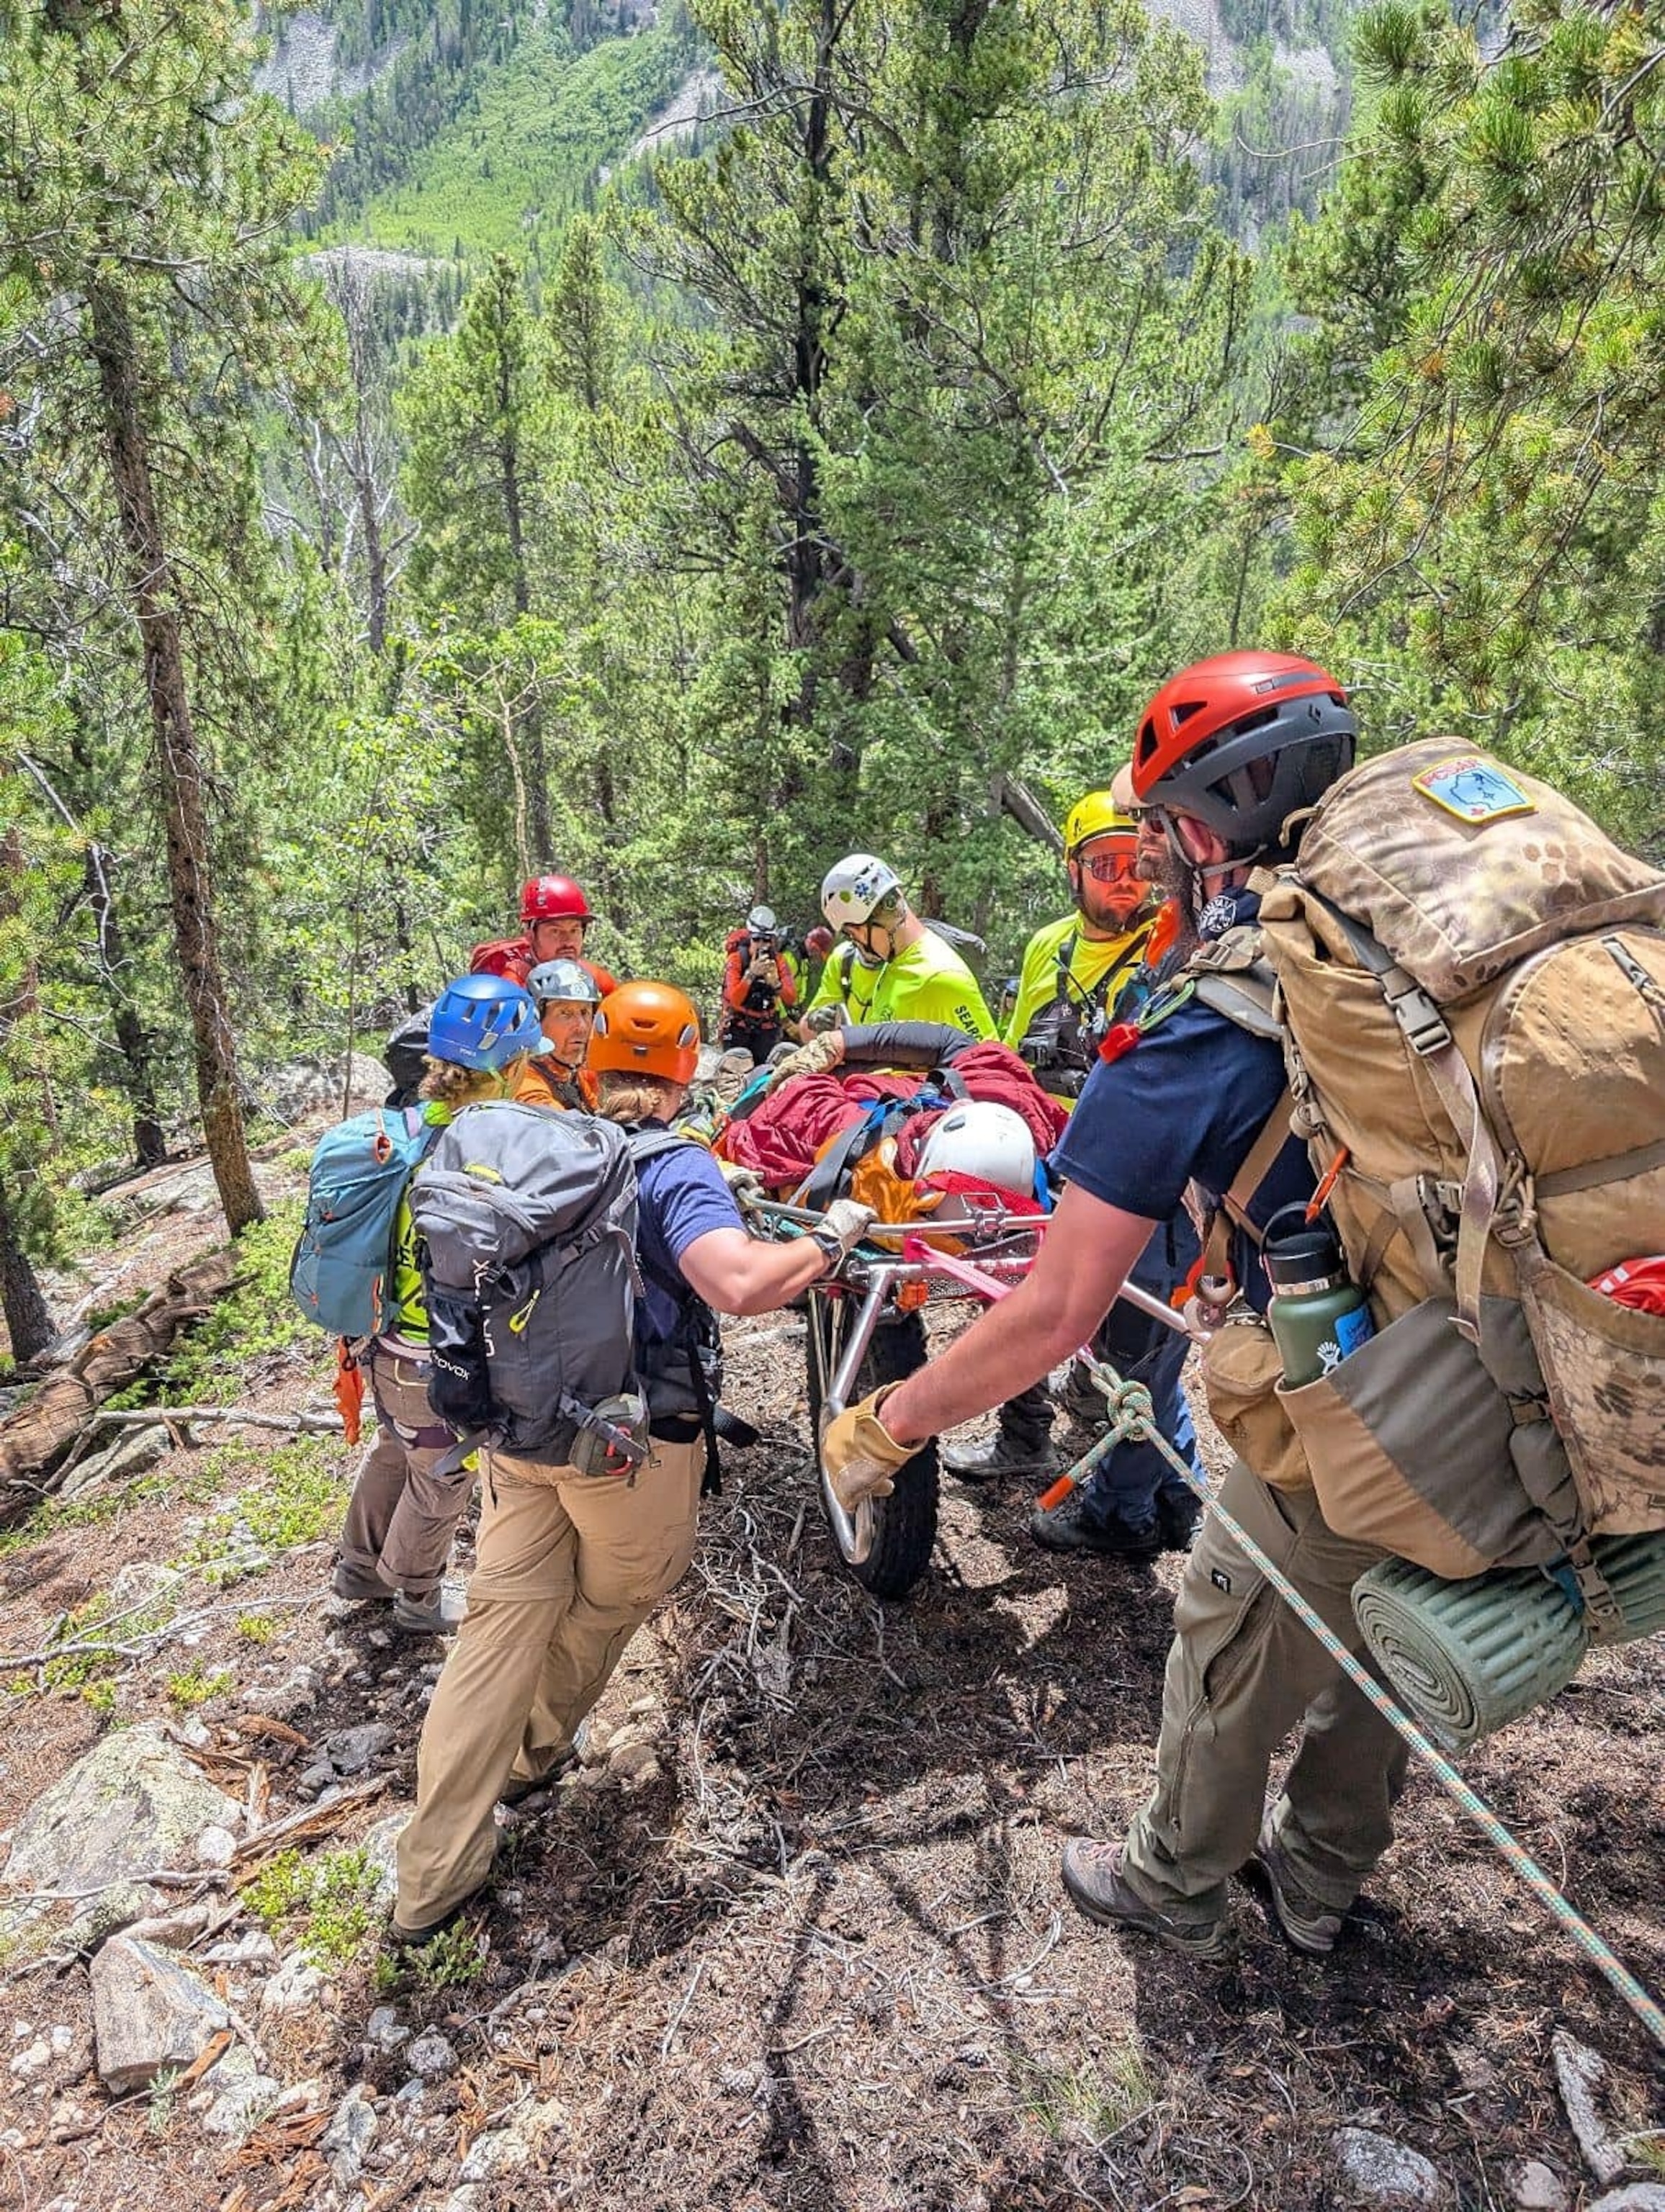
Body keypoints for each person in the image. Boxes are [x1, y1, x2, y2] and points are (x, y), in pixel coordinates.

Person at [825, 649, 1405, 1964]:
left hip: (1344, 1393)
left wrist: (887, 1423)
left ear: (1201, 829)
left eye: (1153, 836)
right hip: (1473, 1350)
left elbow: (1050, 1314)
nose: (1145, 863)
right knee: (1387, 1620)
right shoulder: (1392, 953)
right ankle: (1315, 1885)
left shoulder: (1201, 1019)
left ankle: (1174, 1878)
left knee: (1231, 1616)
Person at [392, 981, 876, 1943]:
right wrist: (832, 1239)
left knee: (495, 1629)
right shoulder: (676, 1163)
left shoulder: (562, 1144)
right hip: (627, 1448)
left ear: (593, 1057)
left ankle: (431, 1877)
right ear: (688, 1067)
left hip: (517, 1434)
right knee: (620, 1592)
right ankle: (533, 1754)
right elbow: (738, 1285)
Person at [940, 793, 1202, 1556]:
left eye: (1133, 865)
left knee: (1138, 1341)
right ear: (1074, 871)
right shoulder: (1047, 949)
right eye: (1103, 866)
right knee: (1018, 1299)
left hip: (1138, 1172)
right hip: (1051, 1158)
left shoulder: (1174, 943)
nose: (1123, 881)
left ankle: (1125, 1508)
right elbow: (1017, 1054)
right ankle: (1056, 1446)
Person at [334, 976, 554, 1636]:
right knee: (442, 1478)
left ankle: (358, 1570)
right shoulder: (485, 1146)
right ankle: (417, 1599)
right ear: (512, 1064)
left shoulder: (412, 1123)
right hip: (433, 1357)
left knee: (395, 1452)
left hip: (380, 1341)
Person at [800, 854, 997, 1038]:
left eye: (851, 935)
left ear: (860, 929)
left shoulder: (942, 979)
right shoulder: (893, 962)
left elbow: (991, 1068)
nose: (857, 944)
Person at [469, 874, 619, 999]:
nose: (567, 941)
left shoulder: (593, 978)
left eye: (574, 931)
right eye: (555, 931)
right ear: (530, 935)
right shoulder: (512, 985)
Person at [516, 958, 601, 1111]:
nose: (581, 1027)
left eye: (585, 1012)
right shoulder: (525, 1083)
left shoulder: (569, 1074)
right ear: (536, 1020)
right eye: (565, 1013)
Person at [719, 904, 799, 1059]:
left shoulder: (779, 961)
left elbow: (791, 998)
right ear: (750, 937)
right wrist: (751, 975)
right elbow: (734, 999)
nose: (761, 944)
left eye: (767, 940)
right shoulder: (737, 959)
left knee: (764, 1073)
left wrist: (776, 983)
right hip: (738, 1027)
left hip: (766, 1028)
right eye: (756, 939)